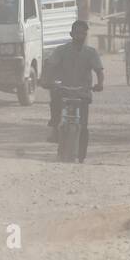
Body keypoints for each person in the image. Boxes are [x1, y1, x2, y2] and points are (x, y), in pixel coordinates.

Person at [45, 19, 104, 158]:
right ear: (71, 34)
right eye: (77, 33)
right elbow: (51, 66)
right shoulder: (61, 50)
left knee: (84, 125)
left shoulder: (91, 52)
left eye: (83, 34)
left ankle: (81, 152)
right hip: (63, 89)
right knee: (54, 102)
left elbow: (99, 71)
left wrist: (100, 84)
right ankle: (55, 127)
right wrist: (47, 80)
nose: (80, 36)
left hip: (83, 91)